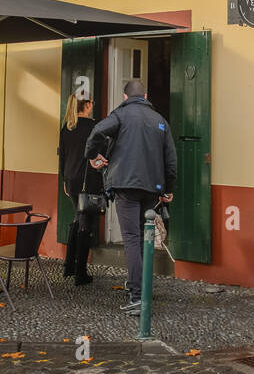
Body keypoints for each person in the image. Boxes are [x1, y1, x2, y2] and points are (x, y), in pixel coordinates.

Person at [85, 79, 177, 316]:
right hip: (152, 188)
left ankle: (137, 295)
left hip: (125, 185)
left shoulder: (121, 115)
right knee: (144, 239)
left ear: (125, 97)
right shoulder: (160, 121)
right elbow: (171, 160)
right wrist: (168, 189)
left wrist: (93, 155)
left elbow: (97, 131)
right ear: (145, 95)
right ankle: (141, 289)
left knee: (132, 239)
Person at [58, 95, 98, 286]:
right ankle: (80, 272)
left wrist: (64, 181)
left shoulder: (67, 127)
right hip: (87, 182)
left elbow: (62, 157)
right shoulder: (92, 127)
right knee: (85, 224)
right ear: (88, 106)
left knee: (77, 218)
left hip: (71, 181)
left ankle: (69, 265)